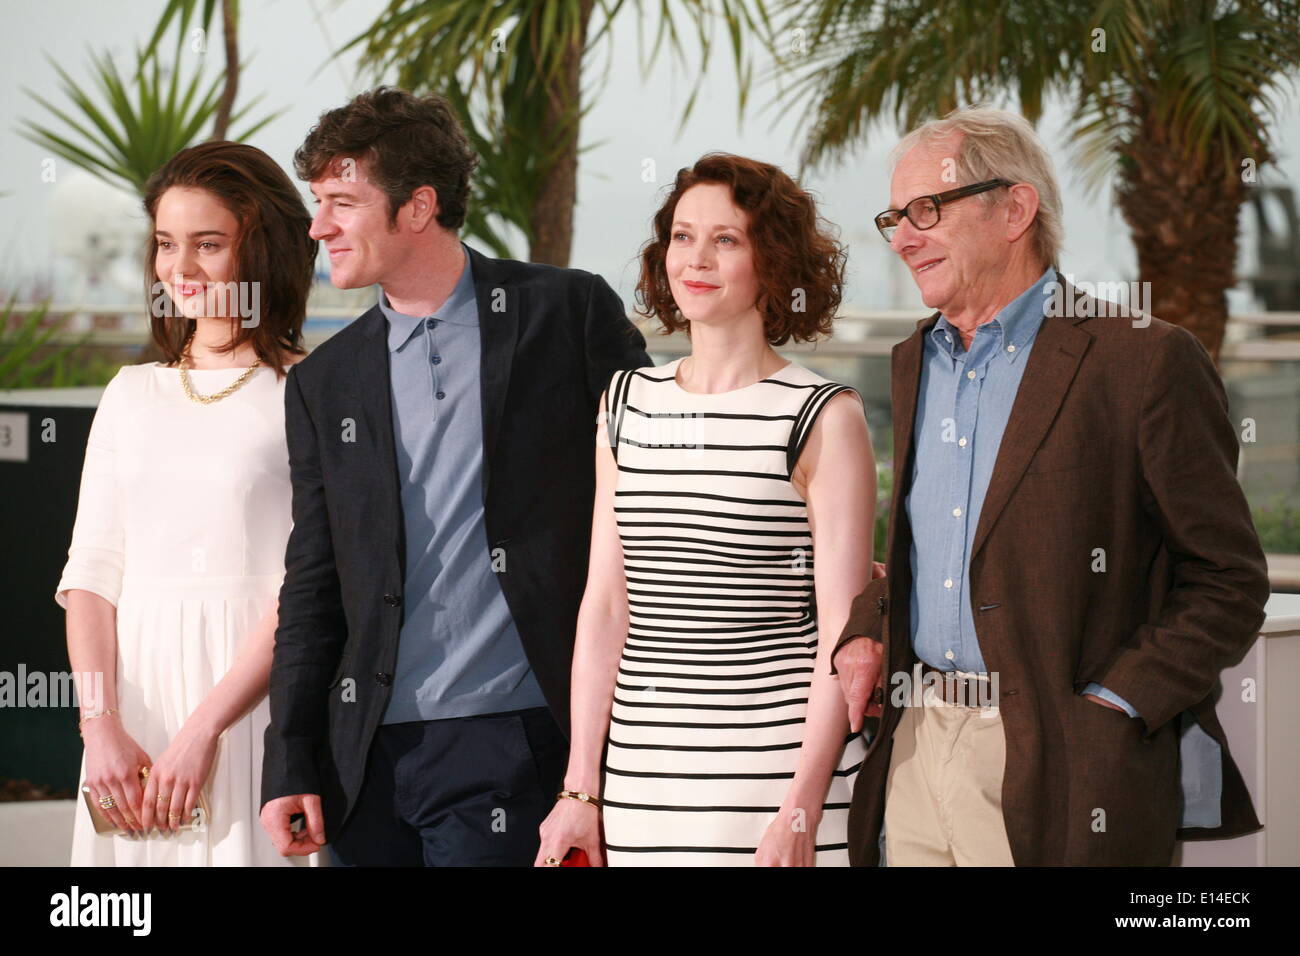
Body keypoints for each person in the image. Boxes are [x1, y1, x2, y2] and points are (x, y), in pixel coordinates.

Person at [831, 106, 1270, 866]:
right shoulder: (912, 363)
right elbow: (934, 546)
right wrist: (865, 628)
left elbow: (1226, 579)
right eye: (894, 217)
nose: (903, 237)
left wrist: (1115, 705)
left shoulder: (1143, 360)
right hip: (914, 746)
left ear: (1015, 208)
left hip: (1064, 765)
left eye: (927, 210)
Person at [257, 87, 651, 866]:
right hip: (363, 761)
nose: (318, 226)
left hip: (519, 737)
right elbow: (312, 583)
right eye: (316, 203)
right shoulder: (323, 382)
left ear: (417, 207)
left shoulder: (565, 314)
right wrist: (290, 760)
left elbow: (659, 480)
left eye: (342, 201)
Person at [535, 153, 876, 866]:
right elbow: (605, 606)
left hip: (776, 787)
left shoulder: (822, 415)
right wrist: (579, 790)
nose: (695, 258)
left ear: (772, 261)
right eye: (682, 237)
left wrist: (803, 808)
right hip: (641, 788)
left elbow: (840, 640)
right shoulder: (625, 404)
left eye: (726, 239)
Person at [56, 141, 321, 866]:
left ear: (261, 249)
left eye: (209, 244)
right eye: (167, 244)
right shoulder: (130, 394)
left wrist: (205, 730)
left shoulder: (314, 392)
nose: (181, 267)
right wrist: (101, 726)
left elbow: (304, 585)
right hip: (131, 722)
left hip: (251, 711)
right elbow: (90, 578)